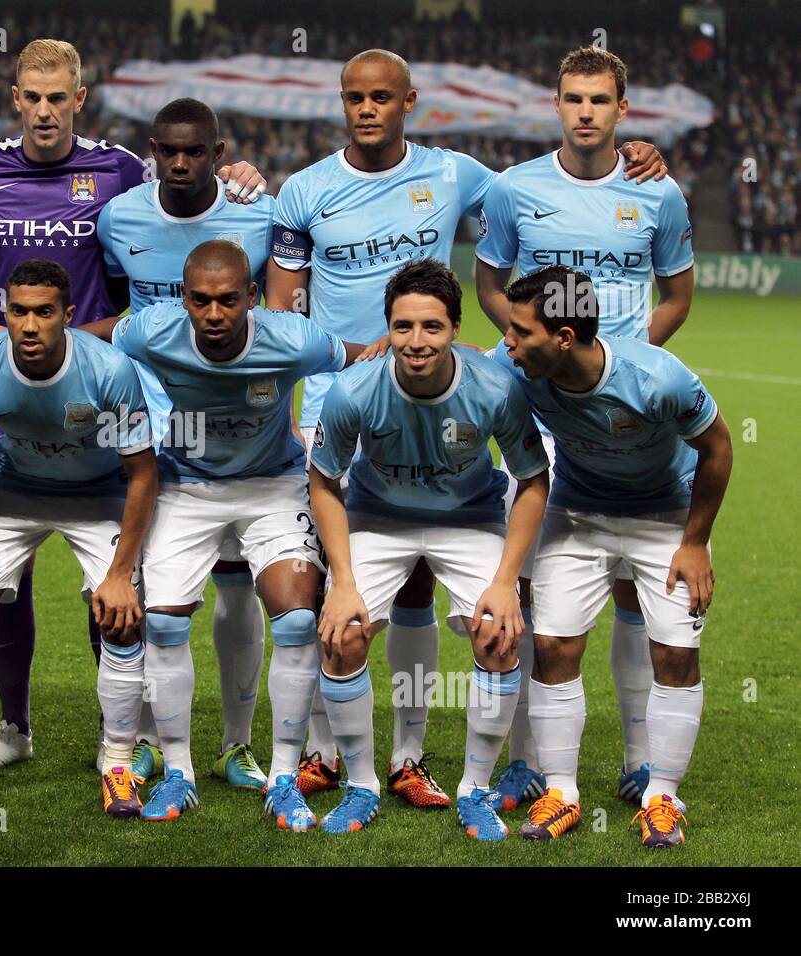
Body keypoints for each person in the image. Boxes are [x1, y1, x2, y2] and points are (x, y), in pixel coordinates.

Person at [268, 48, 667, 806]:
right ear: (340, 101)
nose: (367, 108)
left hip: (436, 392)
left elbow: (547, 187)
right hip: (336, 405)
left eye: (382, 96)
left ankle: (413, 757)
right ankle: (322, 752)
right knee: (330, 588)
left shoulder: (457, 175)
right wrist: (301, 390)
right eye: (354, 96)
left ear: (409, 100)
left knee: (420, 583)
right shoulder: (304, 190)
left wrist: (630, 155)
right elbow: (282, 302)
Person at [0, 38, 264, 769]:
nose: (44, 110)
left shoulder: (122, 170)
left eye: (58, 96)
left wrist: (241, 175)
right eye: (32, 96)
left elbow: (155, 242)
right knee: (6, 580)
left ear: (80, 98)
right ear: (14, 95)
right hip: (14, 390)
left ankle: (122, 736)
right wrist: (0, 295)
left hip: (101, 392)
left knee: (119, 575)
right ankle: (13, 730)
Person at [475, 46, 695, 809]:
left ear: (622, 109)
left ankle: (641, 761)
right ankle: (530, 762)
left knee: (639, 594)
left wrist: (625, 364)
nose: (586, 112)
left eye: (600, 100)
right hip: (542, 410)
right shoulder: (513, 189)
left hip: (621, 409)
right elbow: (489, 282)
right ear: (557, 103)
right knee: (531, 586)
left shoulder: (658, 193)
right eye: (573, 98)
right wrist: (532, 353)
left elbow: (677, 293)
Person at [83, 240, 368, 828]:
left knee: (294, 621)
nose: (214, 315)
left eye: (229, 301)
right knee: (161, 622)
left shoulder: (292, 337)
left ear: (253, 298)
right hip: (185, 483)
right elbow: (91, 339)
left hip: (274, 485)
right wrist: (28, 336)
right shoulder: (152, 330)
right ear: (182, 298)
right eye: (201, 301)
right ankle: (179, 773)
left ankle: (284, 776)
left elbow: (364, 357)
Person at [310, 259, 549, 839]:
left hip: (469, 519)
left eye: (432, 327)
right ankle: (363, 783)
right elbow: (324, 481)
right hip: (377, 519)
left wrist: (507, 581)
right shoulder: (353, 390)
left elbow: (533, 479)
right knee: (342, 635)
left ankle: (475, 789)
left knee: (498, 632)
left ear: (456, 329)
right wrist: (341, 583)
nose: (416, 342)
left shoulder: (495, 386)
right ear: (388, 327)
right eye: (403, 327)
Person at [495, 265, 731, 848]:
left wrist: (696, 541)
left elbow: (718, 446)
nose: (510, 343)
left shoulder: (657, 378)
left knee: (675, 655)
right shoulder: (518, 371)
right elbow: (466, 366)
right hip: (578, 515)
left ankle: (663, 799)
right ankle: (561, 793)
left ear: (565, 338)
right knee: (552, 646)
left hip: (666, 520)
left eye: (522, 333)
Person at [0, 259, 158, 817]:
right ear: (2, 312)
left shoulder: (109, 369)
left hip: (99, 492)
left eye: (44, 312)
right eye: (18, 311)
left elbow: (143, 473)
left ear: (68, 315)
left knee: (121, 617)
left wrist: (120, 575)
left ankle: (118, 763)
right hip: (15, 489)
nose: (30, 325)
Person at [95, 96, 273, 791]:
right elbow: (114, 308)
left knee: (236, 590)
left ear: (218, 151)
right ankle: (139, 740)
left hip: (228, 432)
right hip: (136, 427)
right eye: (167, 149)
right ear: (151, 149)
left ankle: (236, 743)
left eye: (195, 150)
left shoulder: (258, 212)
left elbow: (284, 315)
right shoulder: (121, 216)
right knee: (131, 586)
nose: (179, 162)